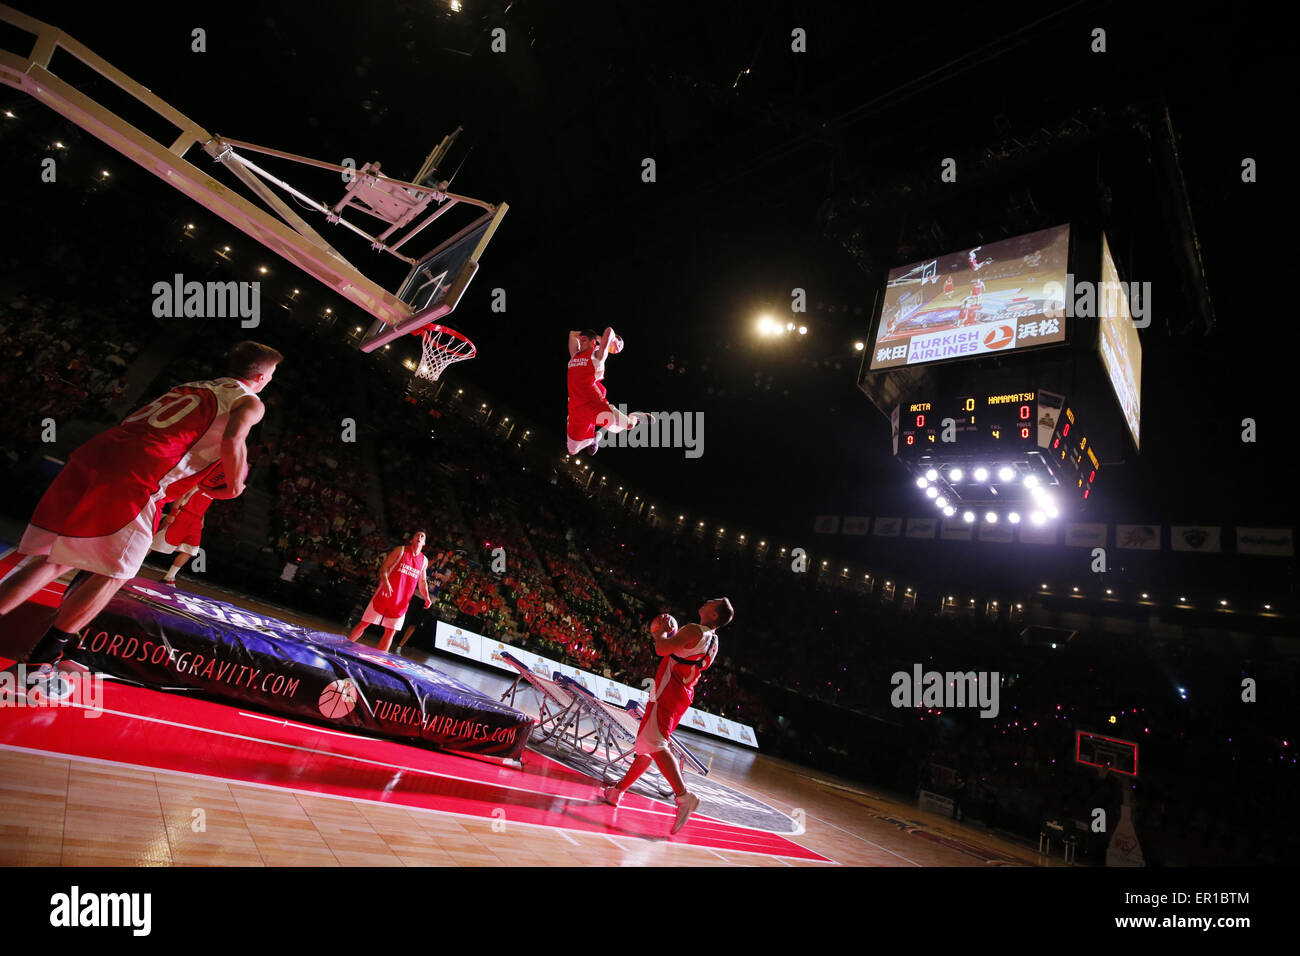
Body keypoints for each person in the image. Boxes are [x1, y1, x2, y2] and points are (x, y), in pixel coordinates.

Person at [0, 341, 281, 670]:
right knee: (117, 573)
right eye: (272, 373)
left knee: (54, 558)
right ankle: (41, 661)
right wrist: (235, 483)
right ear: (261, 376)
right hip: (137, 476)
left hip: (96, 456)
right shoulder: (250, 401)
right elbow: (234, 439)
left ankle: (44, 655)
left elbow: (138, 420)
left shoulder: (191, 386)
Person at [602, 597, 734, 834]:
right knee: (646, 747)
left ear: (714, 615)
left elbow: (661, 649)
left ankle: (684, 797)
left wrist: (661, 633)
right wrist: (673, 635)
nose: (706, 601)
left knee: (654, 744)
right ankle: (617, 791)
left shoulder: (695, 630)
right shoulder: (714, 642)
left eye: (712, 602)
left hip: (668, 689)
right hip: (682, 693)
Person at [566, 327, 650, 456]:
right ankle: (594, 439)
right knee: (572, 450)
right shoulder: (575, 354)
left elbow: (609, 331)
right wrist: (585, 336)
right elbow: (572, 334)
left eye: (584, 340)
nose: (580, 341)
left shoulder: (597, 355)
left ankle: (634, 416)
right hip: (576, 410)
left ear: (593, 342)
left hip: (595, 406)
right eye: (580, 339)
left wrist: (599, 338)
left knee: (628, 425)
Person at [348, 531, 430, 653]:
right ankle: (346, 647)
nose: (419, 537)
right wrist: (386, 583)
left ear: (424, 543)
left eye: (422, 537)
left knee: (390, 631)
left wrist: (427, 597)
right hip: (385, 594)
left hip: (401, 601)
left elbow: (422, 581)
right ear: (412, 540)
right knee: (365, 623)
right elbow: (384, 568)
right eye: (417, 535)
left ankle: (378, 660)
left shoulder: (424, 560)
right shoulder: (400, 550)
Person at [393, 546, 455, 656]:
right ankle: (390, 638)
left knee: (415, 624)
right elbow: (423, 568)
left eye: (446, 556)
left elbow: (446, 579)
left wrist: (441, 576)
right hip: (417, 594)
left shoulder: (447, 570)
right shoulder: (430, 561)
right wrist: (436, 559)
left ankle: (400, 646)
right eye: (443, 554)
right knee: (405, 618)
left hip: (429, 599)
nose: (444, 557)